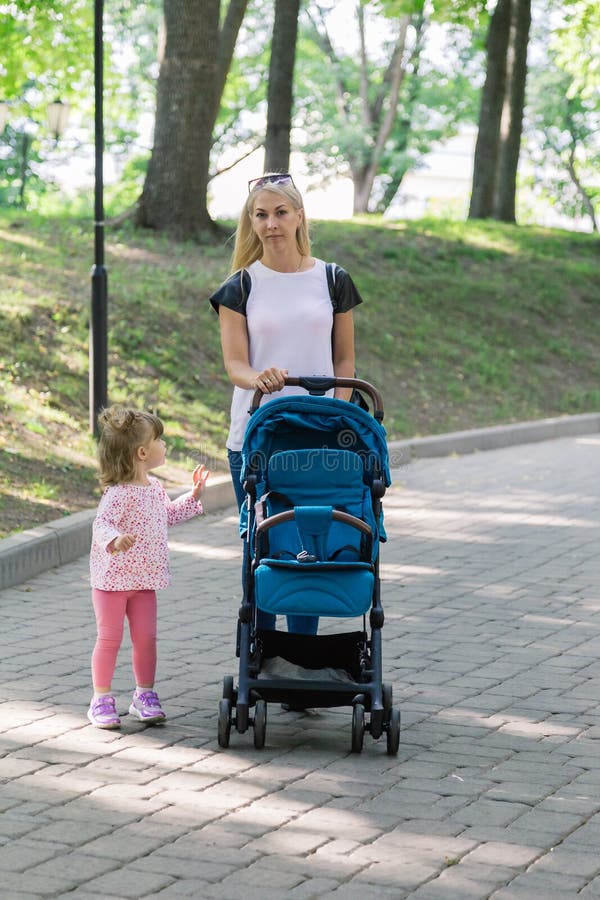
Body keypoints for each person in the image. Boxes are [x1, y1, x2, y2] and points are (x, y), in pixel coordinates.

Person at [209, 172, 364, 635]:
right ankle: (260, 651)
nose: (271, 224)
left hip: (319, 435)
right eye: (261, 215)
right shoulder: (241, 286)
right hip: (257, 434)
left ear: (299, 216)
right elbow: (235, 365)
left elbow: (344, 360)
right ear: (251, 222)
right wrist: (259, 377)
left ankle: (301, 656)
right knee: (262, 546)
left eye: (280, 213)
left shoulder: (332, 280)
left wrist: (338, 413)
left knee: (310, 546)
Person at [87, 405, 209, 729]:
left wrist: (193, 497)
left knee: (146, 639)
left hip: (144, 581)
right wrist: (115, 540)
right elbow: (101, 524)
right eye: (159, 440)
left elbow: (166, 516)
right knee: (109, 639)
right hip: (112, 581)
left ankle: (144, 695)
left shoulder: (154, 488)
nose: (164, 445)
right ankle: (101, 699)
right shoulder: (117, 494)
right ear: (143, 452)